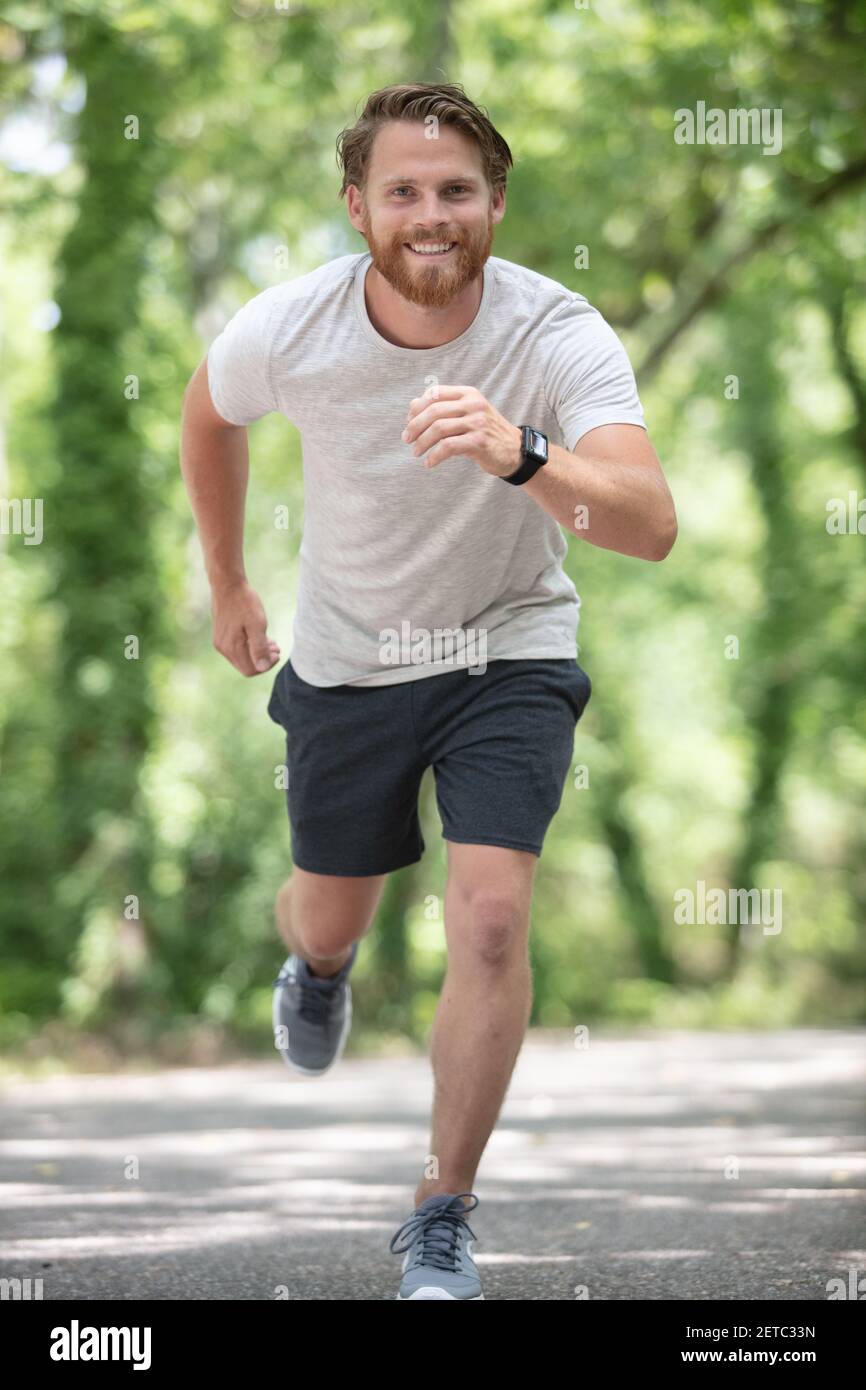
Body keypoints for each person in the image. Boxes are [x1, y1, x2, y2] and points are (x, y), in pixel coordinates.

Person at [180, 81, 677, 1301]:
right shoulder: (289, 328)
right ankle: (321, 970)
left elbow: (650, 526)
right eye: (402, 190)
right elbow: (208, 415)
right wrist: (229, 582)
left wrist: (523, 452)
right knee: (328, 915)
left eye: (456, 189)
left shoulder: (555, 329)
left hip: (504, 649)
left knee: (492, 917)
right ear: (358, 207)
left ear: (495, 203)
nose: (431, 213)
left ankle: (440, 1210)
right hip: (347, 661)